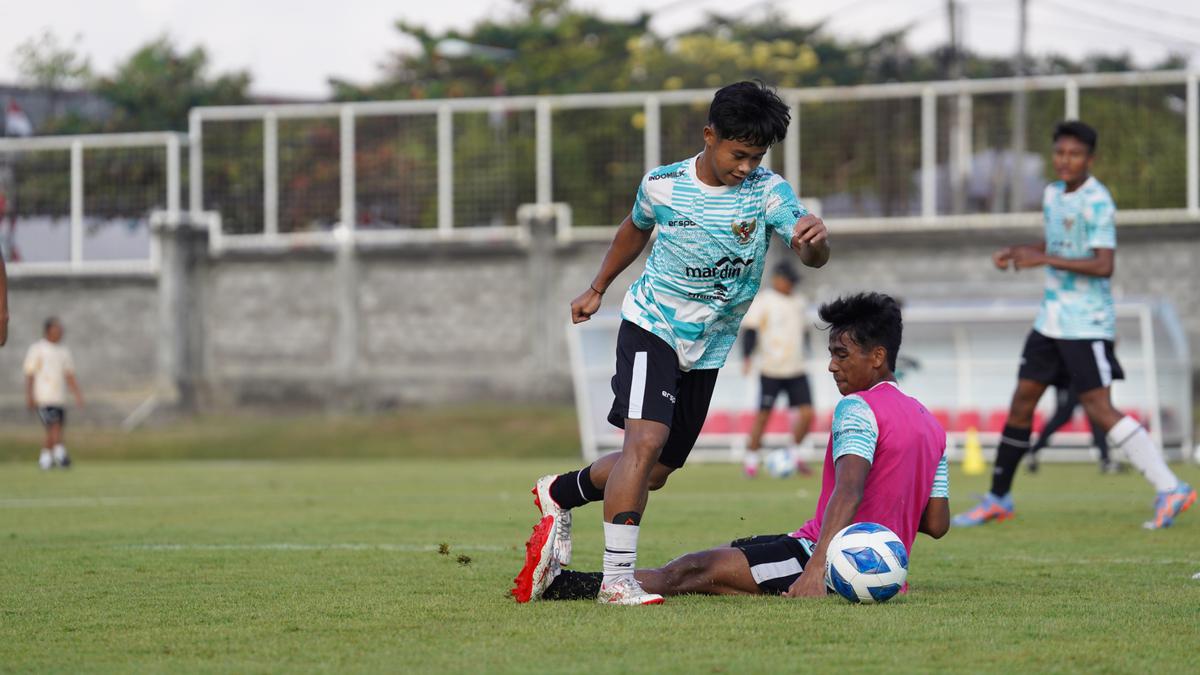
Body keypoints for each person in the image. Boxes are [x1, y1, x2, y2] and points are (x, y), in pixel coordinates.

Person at [513, 81, 830, 606]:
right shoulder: (662, 185)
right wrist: (597, 288)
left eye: (757, 157)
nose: (746, 166)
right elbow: (633, 229)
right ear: (710, 135)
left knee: (655, 471)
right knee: (645, 442)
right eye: (738, 154)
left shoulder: (770, 193)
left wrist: (813, 244)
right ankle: (618, 581)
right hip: (651, 325)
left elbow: (806, 248)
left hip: (707, 347)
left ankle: (559, 492)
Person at [515, 293, 948, 602]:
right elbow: (936, 523)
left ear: (877, 356)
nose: (832, 365)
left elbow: (849, 490)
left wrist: (817, 568)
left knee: (691, 571)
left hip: (826, 563)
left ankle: (560, 587)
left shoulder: (858, 407)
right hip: (868, 566)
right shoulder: (932, 424)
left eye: (841, 354)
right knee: (731, 555)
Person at [953, 121, 1194, 530]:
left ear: (1090, 159)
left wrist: (1042, 260)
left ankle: (1171, 487)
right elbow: (1059, 246)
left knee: (1100, 408)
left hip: (1087, 323)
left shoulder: (1098, 201)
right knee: (1022, 403)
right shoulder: (1051, 194)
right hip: (1051, 320)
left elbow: (1103, 264)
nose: (1066, 160)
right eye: (1060, 152)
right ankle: (998, 498)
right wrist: (1020, 251)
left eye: (1075, 154)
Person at [739, 261, 813, 477]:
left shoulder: (799, 302)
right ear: (778, 279)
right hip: (771, 368)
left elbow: (804, 331)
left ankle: (794, 454)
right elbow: (750, 330)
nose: (791, 285)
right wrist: (747, 357)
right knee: (763, 415)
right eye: (789, 281)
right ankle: (751, 460)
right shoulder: (764, 301)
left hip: (796, 368)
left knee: (808, 413)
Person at [24, 317, 85, 470]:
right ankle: (61, 455)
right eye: (56, 329)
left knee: (54, 430)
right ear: (47, 331)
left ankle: (45, 460)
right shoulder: (37, 349)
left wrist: (77, 394)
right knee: (54, 426)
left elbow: (69, 374)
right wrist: (30, 396)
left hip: (59, 397)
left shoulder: (63, 351)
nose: (59, 332)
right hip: (43, 397)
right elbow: (30, 374)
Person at [1025, 375, 1116, 474]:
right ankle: (1033, 451)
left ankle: (1105, 460)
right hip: (1067, 382)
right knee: (1061, 417)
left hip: (1085, 381)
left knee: (1095, 418)